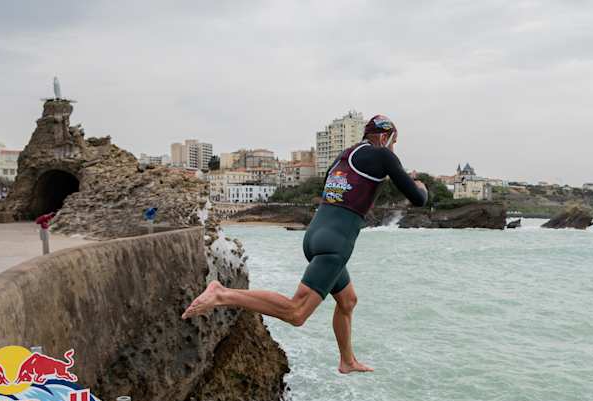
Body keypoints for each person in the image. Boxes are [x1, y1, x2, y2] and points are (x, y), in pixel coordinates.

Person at [183, 114, 428, 374]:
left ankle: (347, 361)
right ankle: (222, 293)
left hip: (314, 235)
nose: (393, 148)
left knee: (348, 301)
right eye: (393, 142)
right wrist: (420, 185)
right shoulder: (384, 155)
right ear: (384, 136)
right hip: (336, 243)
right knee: (296, 313)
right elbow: (417, 199)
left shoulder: (343, 157)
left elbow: (340, 191)